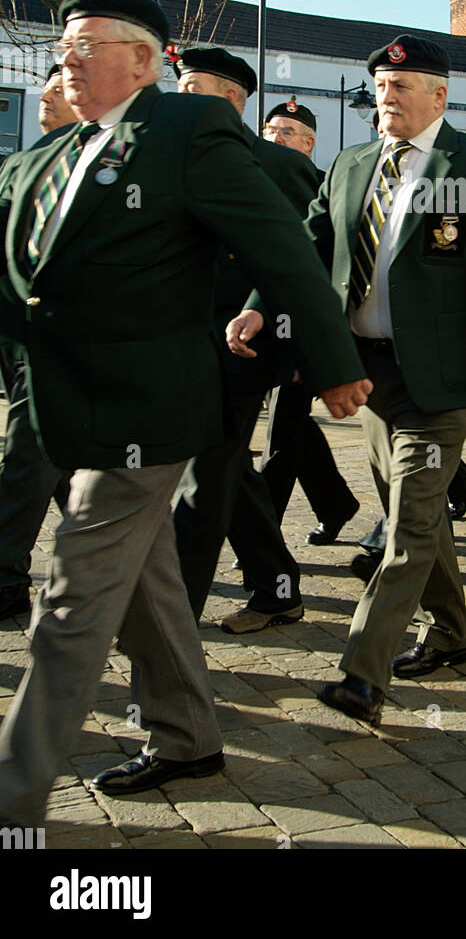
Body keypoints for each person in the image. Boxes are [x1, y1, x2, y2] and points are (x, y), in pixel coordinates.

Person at [0, 0, 370, 825]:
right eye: (63, 46)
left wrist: (331, 359)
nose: (67, 59)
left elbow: (281, 249)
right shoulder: (59, 155)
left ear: (142, 58)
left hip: (148, 407)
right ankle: (188, 738)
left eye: (86, 45)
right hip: (69, 402)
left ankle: (13, 797)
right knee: (149, 583)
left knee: (73, 591)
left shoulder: (186, 129)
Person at [228, 33, 466, 725]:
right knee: (418, 517)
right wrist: (256, 305)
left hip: (441, 376)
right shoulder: (352, 164)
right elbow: (305, 246)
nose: (385, 98)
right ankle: (453, 633)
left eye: (400, 88)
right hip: (365, 374)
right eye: (379, 88)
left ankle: (362, 674)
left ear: (438, 95)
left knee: (404, 525)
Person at [168, 46, 329, 634]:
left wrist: (293, 347)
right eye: (178, 88)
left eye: (195, 90)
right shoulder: (169, 161)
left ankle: (171, 620)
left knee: (203, 476)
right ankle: (275, 588)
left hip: (242, 347)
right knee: (230, 472)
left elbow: (299, 259)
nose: (179, 100)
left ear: (233, 100)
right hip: (179, 344)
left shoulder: (278, 166)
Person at [254, 97, 360, 548]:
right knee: (295, 428)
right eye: (270, 130)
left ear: (309, 143)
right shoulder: (253, 182)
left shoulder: (322, 189)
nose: (275, 138)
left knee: (282, 431)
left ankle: (263, 538)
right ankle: (336, 504)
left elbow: (313, 267)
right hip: (256, 322)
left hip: (295, 329)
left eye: (286, 132)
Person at [0, 65, 77, 620]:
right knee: (61, 467)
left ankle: (4, 579)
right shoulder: (20, 164)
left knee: (25, 457)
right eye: (44, 91)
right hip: (10, 332)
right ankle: (124, 563)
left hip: (57, 343)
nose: (46, 100)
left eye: (58, 91)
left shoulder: (98, 165)